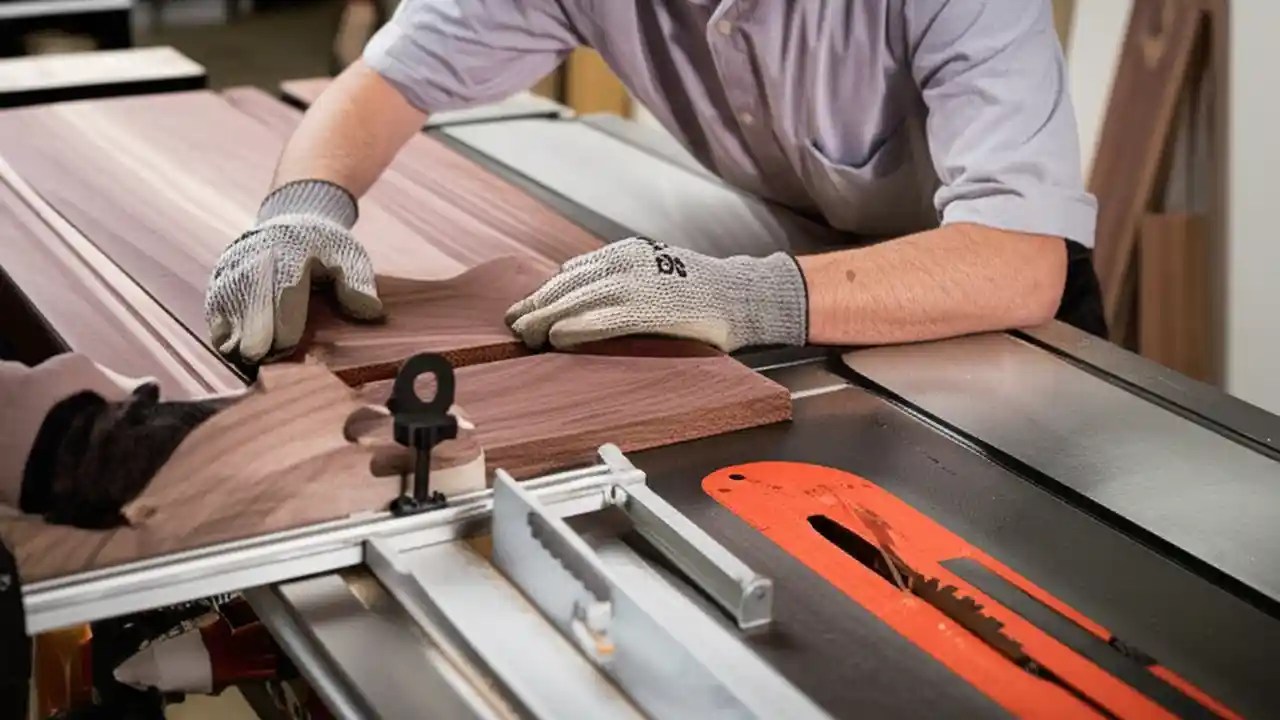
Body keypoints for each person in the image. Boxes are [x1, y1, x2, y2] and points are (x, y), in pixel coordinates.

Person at [203, 0, 1105, 363]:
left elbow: (1023, 258)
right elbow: (385, 81)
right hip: (811, 262)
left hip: (986, 306)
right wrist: (299, 213)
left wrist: (740, 294)